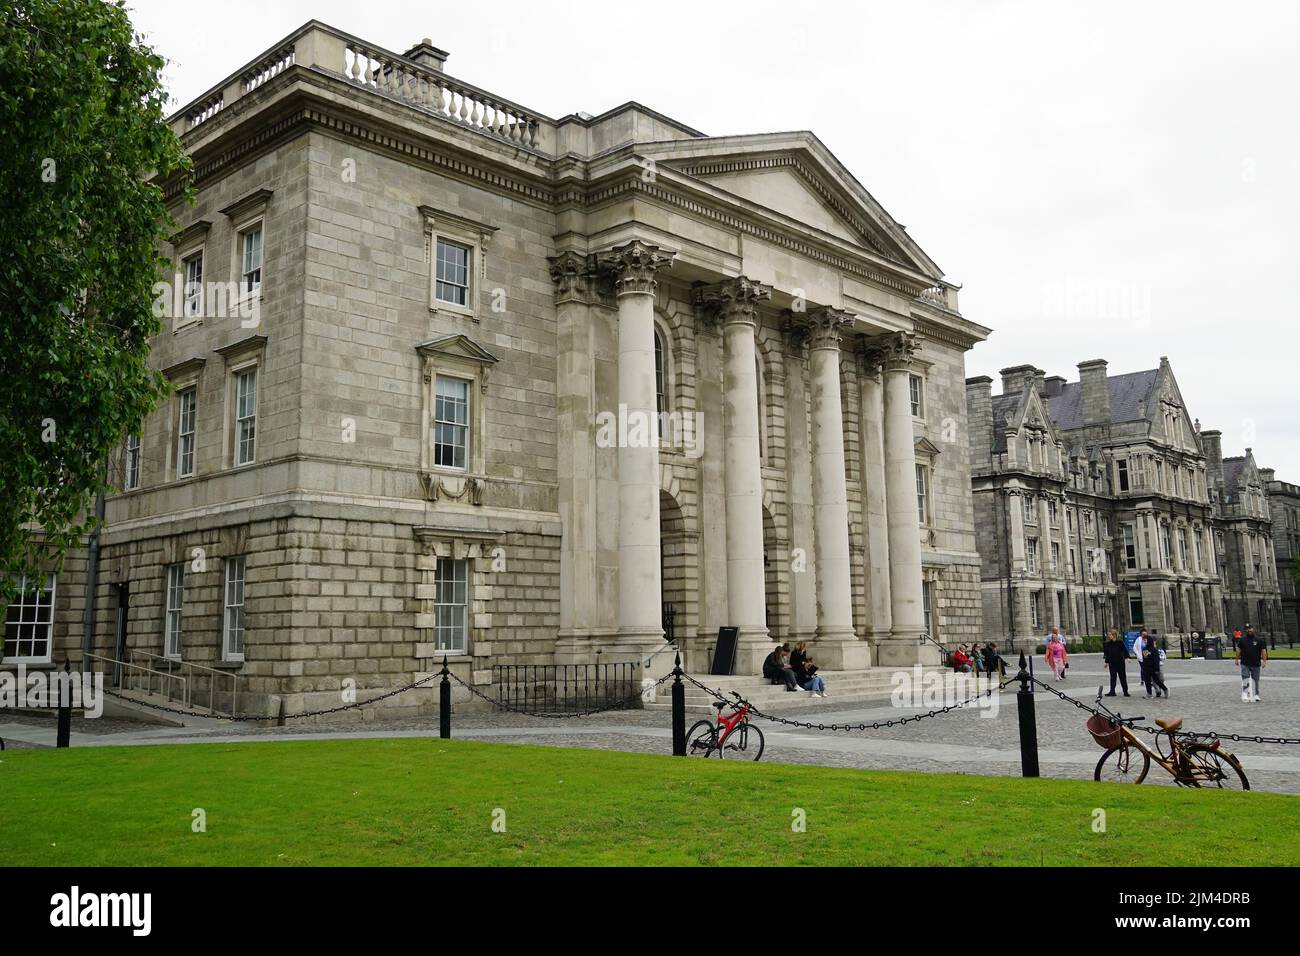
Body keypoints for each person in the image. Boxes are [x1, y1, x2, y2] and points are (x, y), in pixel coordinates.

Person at [1235, 624, 1268, 703]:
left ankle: (1256, 694)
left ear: (1253, 629)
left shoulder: (1259, 640)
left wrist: (1264, 661)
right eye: (1247, 629)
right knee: (1245, 678)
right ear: (1245, 630)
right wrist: (1236, 659)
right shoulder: (1242, 640)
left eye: (1250, 628)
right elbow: (1238, 650)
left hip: (1256, 663)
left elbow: (1263, 651)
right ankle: (1245, 693)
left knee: (1256, 680)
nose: (1249, 630)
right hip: (1245, 663)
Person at [1139, 629, 1167, 698]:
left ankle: (1165, 689)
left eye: (1146, 640)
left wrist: (1157, 669)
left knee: (1157, 680)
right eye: (1144, 640)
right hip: (1146, 668)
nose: (1145, 641)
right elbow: (1145, 659)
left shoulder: (1154, 650)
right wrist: (1143, 667)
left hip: (1153, 668)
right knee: (1147, 681)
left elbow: (1156, 660)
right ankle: (1149, 693)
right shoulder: (1145, 649)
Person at [1103, 628, 1130, 697]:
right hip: (1112, 663)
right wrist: (1106, 662)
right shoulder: (1108, 644)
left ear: (1114, 635)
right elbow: (1107, 654)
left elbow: (1124, 650)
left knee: (1122, 677)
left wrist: (1127, 658)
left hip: (1120, 662)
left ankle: (1125, 691)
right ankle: (1112, 691)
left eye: (1110, 635)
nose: (1109, 636)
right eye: (1108, 635)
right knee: (1113, 677)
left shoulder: (1120, 642)